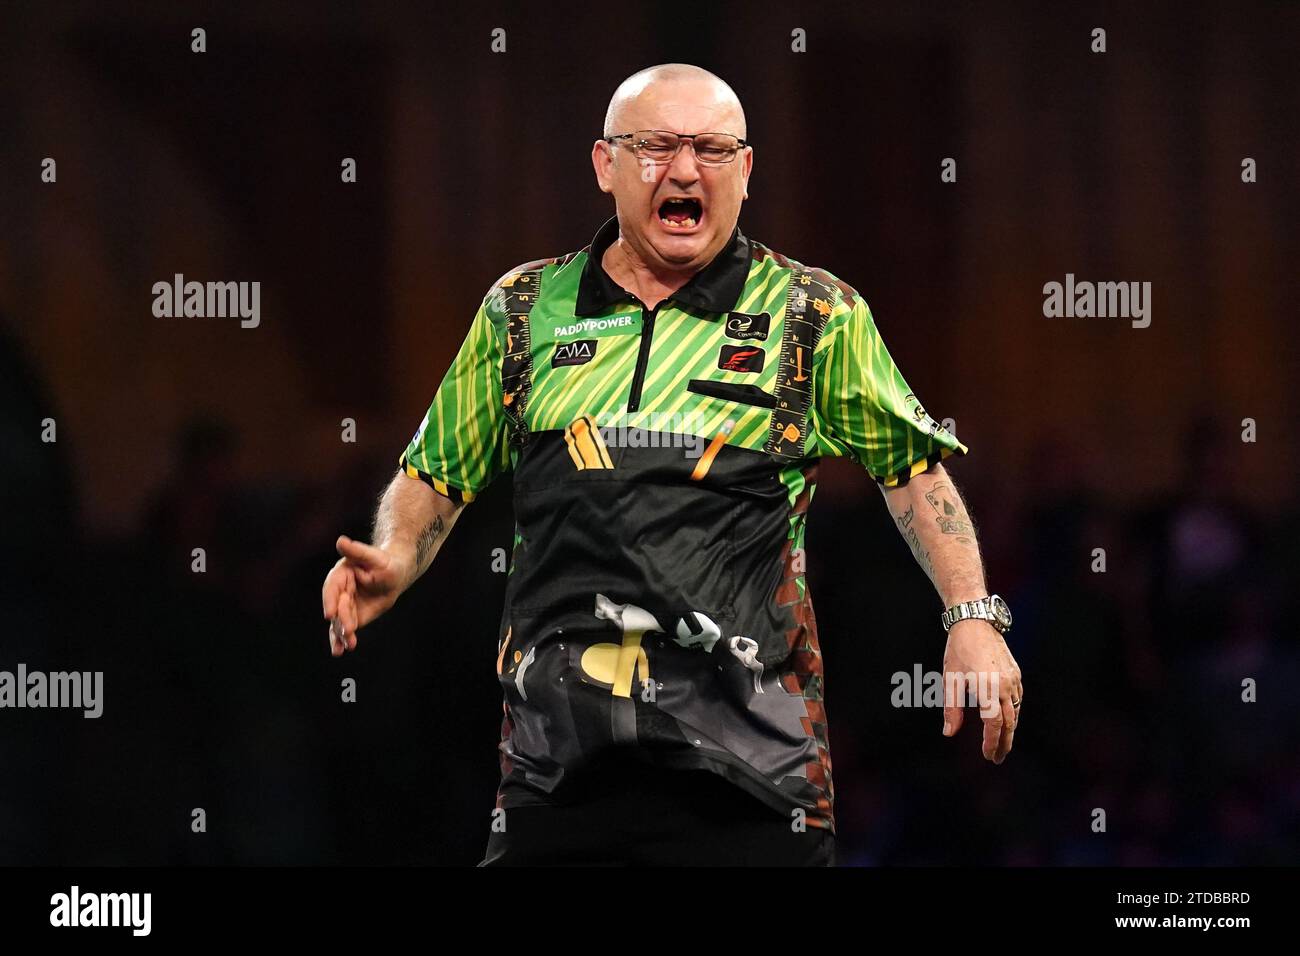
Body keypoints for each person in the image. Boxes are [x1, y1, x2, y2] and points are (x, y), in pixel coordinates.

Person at [320, 63, 1023, 866]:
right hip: (556, 773)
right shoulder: (522, 310)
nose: (685, 169)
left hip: (756, 777)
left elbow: (914, 473)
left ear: (746, 171)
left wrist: (972, 618)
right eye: (655, 146)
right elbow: (435, 473)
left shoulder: (812, 313)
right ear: (604, 165)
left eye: (713, 149)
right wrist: (396, 556)